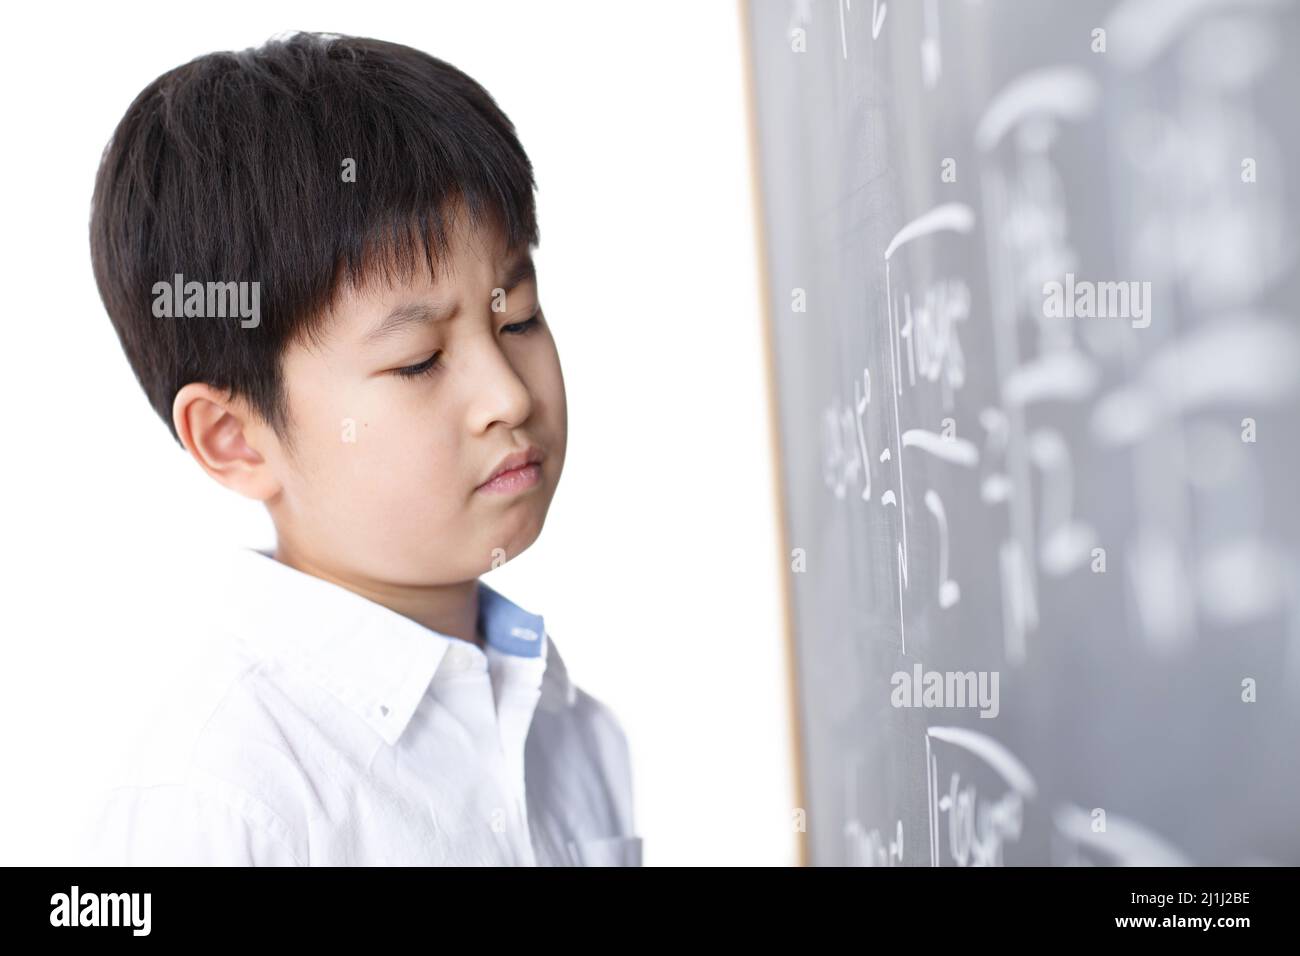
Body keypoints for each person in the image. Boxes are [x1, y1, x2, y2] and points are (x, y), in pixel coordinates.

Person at [75, 31, 638, 866]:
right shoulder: (217, 800)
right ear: (234, 439)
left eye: (515, 317)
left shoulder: (573, 731)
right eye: (419, 362)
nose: (509, 396)